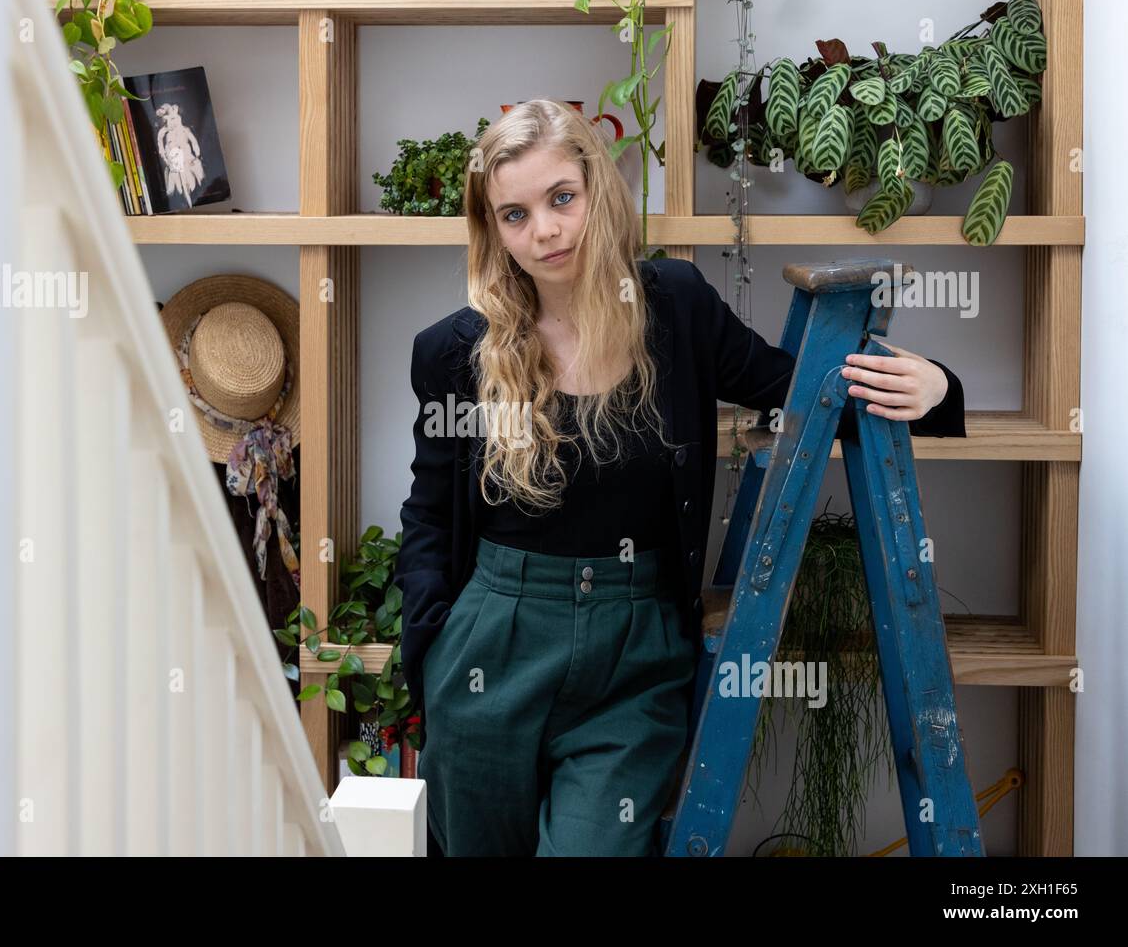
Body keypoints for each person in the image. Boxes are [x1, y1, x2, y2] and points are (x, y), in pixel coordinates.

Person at [394, 99, 966, 857]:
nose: (547, 230)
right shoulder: (453, 352)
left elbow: (803, 391)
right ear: (493, 230)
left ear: (598, 190)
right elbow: (430, 519)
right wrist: (432, 650)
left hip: (634, 658)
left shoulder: (675, 306)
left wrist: (934, 389)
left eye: (562, 197)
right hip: (491, 645)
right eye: (515, 213)